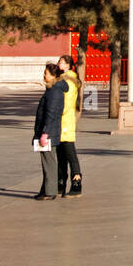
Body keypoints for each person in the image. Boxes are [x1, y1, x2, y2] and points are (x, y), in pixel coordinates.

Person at [33, 64, 67, 200]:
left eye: (46, 73)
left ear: (53, 76)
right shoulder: (53, 89)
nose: (44, 75)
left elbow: (51, 113)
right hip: (49, 130)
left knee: (49, 162)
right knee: (46, 161)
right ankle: (45, 189)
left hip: (48, 132)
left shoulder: (54, 91)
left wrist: (45, 132)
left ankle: (50, 191)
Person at [56, 54, 83, 197]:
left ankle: (77, 181)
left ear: (68, 65)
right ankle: (60, 182)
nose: (59, 64)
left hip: (65, 120)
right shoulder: (63, 79)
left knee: (70, 152)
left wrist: (57, 113)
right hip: (61, 122)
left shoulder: (69, 80)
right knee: (60, 154)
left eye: (61, 62)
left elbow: (67, 102)